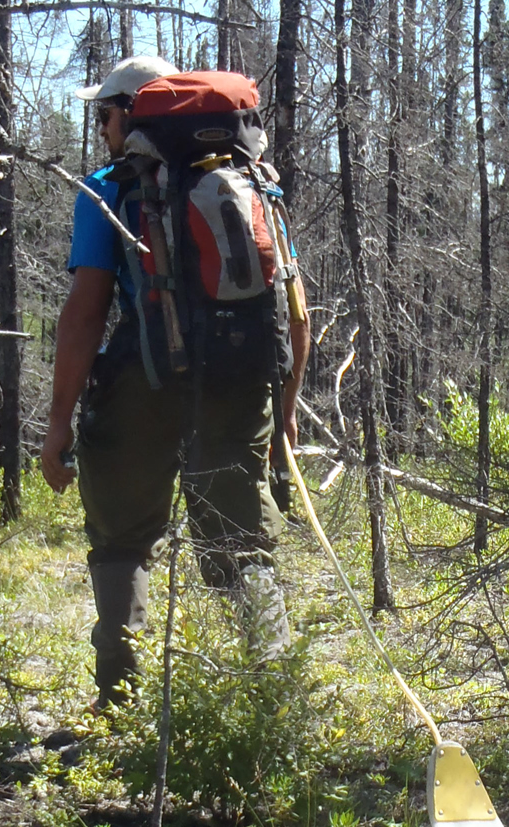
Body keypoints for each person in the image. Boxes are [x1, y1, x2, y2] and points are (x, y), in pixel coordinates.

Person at [41, 55, 311, 707]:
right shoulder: (255, 185)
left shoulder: (111, 190)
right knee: (241, 544)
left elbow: (84, 314)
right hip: (240, 384)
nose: (100, 127)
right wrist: (286, 410)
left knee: (122, 538)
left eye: (104, 112)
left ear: (129, 112)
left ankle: (120, 704)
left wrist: (57, 424)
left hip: (143, 378)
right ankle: (272, 703)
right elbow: (295, 311)